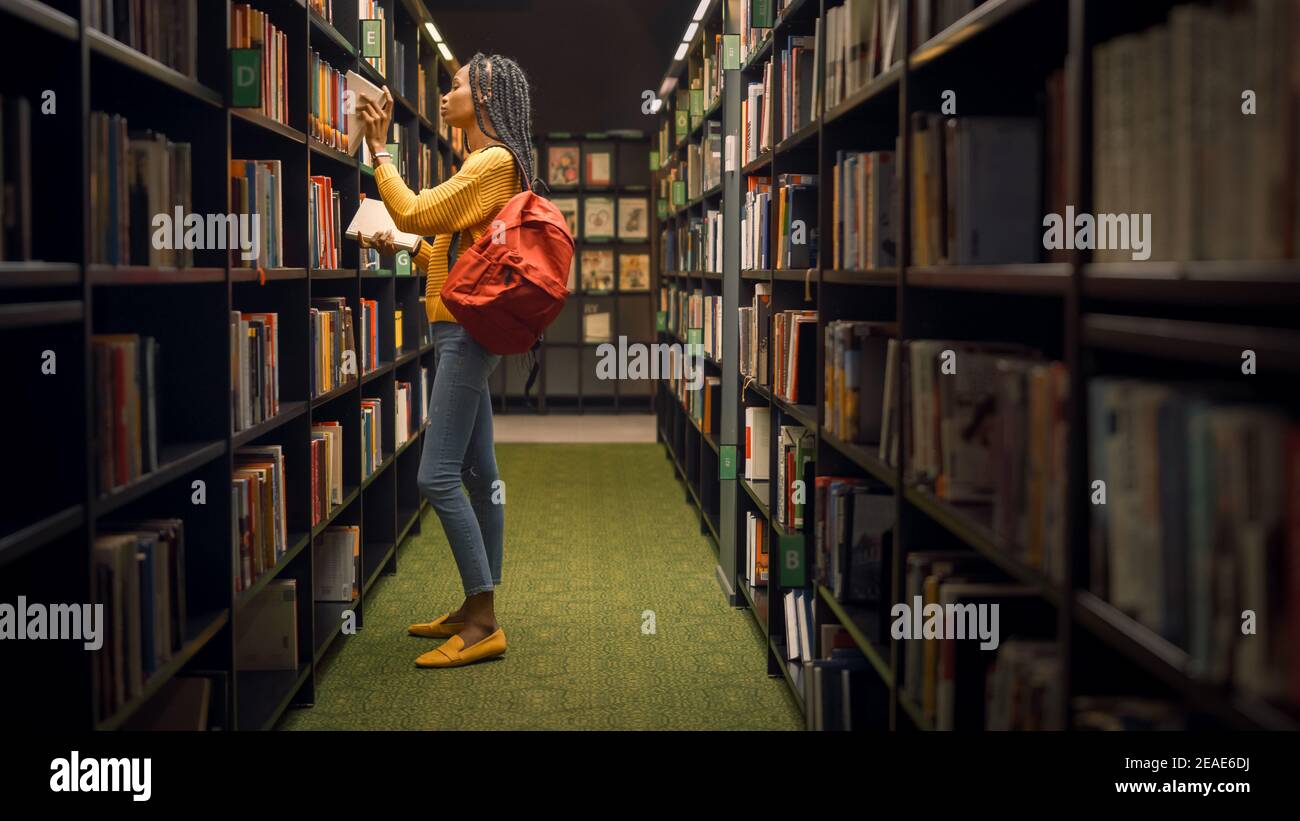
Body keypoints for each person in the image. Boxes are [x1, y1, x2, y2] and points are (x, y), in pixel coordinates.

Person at [356, 53, 534, 669]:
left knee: (436, 477)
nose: (445, 93)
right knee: (481, 471)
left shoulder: (492, 161)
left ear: (482, 96)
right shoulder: (487, 164)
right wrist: (404, 242)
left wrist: (379, 152)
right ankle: (475, 604)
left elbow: (413, 206)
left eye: (456, 85)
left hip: (463, 334)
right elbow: (446, 241)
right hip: (460, 328)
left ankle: (483, 621)